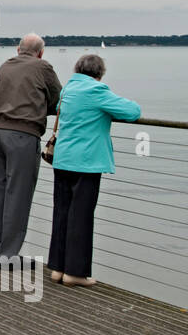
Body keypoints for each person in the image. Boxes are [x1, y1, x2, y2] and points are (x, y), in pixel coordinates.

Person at [48, 53, 141, 287]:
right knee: (81, 216)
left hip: (62, 159)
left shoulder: (67, 90)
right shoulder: (96, 92)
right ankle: (75, 273)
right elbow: (132, 112)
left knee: (62, 213)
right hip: (86, 162)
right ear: (99, 74)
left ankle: (58, 268)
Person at [0, 34, 62, 263]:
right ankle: (8, 255)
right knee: (18, 194)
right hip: (22, 135)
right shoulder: (42, 67)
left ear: (18, 50)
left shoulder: (5, 65)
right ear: (40, 52)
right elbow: (59, 101)